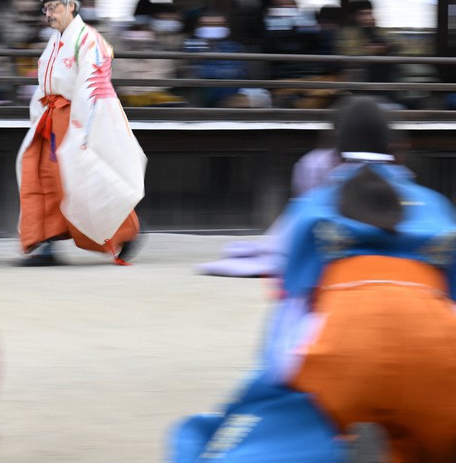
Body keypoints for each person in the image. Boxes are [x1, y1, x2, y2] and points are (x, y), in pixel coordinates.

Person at [173, 96, 456, 462]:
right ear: (400, 149)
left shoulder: (313, 207)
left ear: (332, 154)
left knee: (294, 435)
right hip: (437, 346)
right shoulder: (434, 205)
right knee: (434, 439)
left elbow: (292, 311)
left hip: (346, 348)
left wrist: (269, 385)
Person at [17, 0, 146, 266]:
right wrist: (39, 114)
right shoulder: (55, 41)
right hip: (52, 117)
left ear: (71, 6)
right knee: (44, 177)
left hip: (82, 116)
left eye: (54, 7)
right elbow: (44, 84)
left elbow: (93, 86)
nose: (48, 13)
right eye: (46, 8)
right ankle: (46, 244)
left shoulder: (90, 41)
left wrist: (82, 129)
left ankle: (125, 232)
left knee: (87, 179)